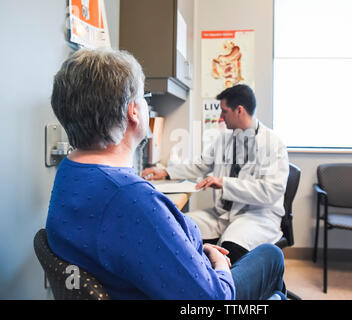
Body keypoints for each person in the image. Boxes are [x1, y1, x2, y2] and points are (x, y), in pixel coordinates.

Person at [46, 48, 286, 300]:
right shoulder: (132, 198)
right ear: (133, 111)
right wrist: (220, 266)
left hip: (254, 216)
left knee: (247, 248)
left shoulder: (70, 170)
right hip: (208, 287)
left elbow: (271, 190)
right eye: (144, 97)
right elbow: (211, 299)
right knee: (271, 257)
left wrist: (187, 250)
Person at [142, 84, 289, 264]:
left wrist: (224, 183)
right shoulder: (225, 139)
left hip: (256, 217)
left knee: (230, 248)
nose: (220, 117)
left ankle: (227, 289)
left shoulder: (273, 144)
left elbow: (270, 191)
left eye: (224, 111)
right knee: (176, 226)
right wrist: (165, 172)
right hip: (221, 215)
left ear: (239, 111)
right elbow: (200, 164)